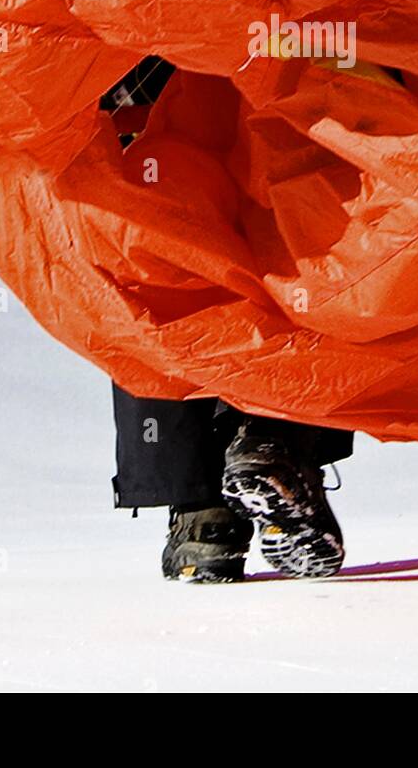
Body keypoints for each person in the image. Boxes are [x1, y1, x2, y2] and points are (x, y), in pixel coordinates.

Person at [102, 58, 353, 584]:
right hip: (271, 42)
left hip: (127, 68)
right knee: (301, 227)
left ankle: (203, 520)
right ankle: (276, 440)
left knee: (155, 267)